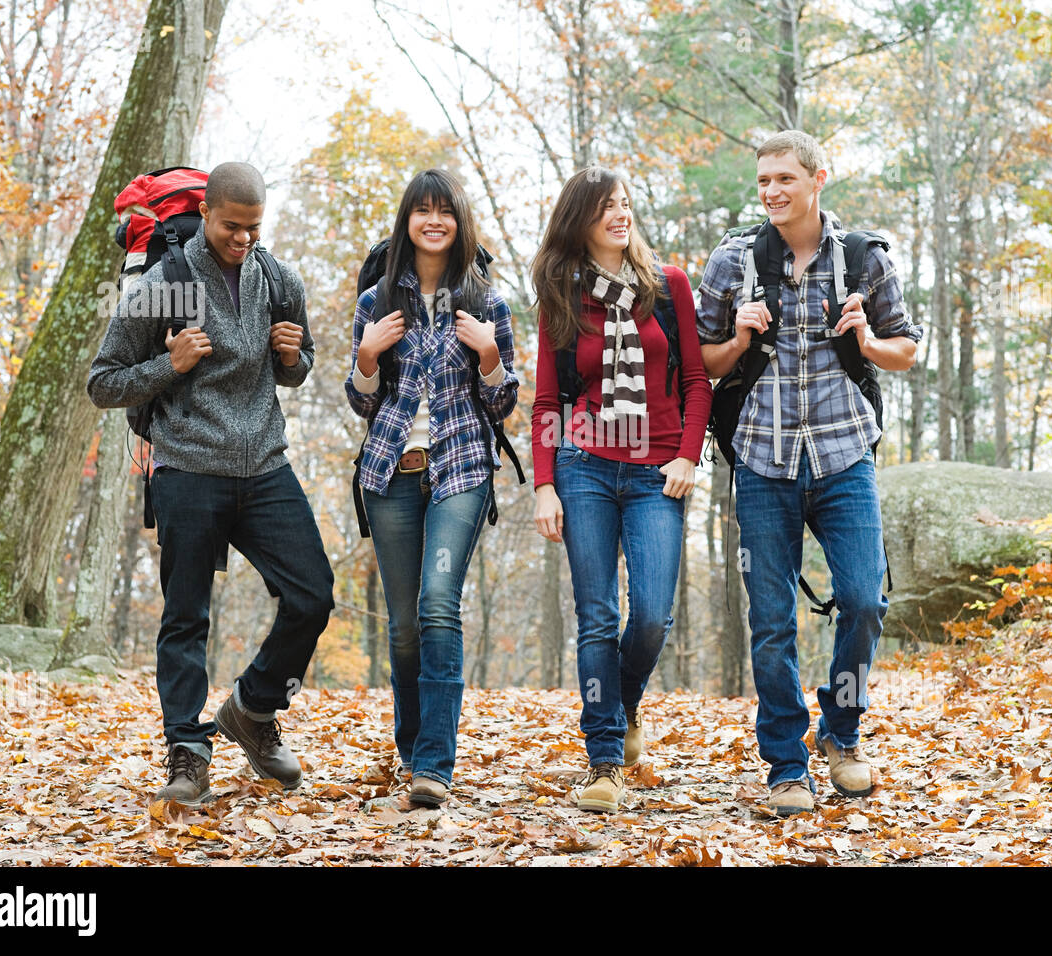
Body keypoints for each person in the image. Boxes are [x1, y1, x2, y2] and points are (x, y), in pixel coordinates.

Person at [88, 161, 334, 806]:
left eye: (254, 228)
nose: (244, 239)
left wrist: (291, 355)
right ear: (208, 212)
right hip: (188, 468)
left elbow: (298, 369)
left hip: (264, 468)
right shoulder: (166, 285)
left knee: (313, 597)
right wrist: (169, 364)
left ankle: (252, 709)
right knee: (185, 617)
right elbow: (103, 381)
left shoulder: (278, 279)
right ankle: (188, 753)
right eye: (232, 226)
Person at [696, 131, 922, 815]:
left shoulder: (863, 260)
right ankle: (787, 764)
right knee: (771, 622)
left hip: (843, 455)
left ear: (818, 179)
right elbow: (702, 364)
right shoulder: (731, 262)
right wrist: (738, 336)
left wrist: (865, 339)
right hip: (762, 463)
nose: (771, 192)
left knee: (862, 601)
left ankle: (843, 732)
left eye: (785, 180)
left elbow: (905, 350)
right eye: (763, 180)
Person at [531, 167, 711, 813]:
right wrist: (545, 484)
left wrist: (688, 456)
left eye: (626, 204)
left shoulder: (669, 287)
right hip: (583, 465)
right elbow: (548, 399)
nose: (620, 214)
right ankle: (603, 759)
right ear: (581, 219)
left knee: (653, 616)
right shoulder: (562, 295)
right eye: (606, 207)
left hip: (656, 470)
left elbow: (697, 381)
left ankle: (624, 700)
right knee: (597, 615)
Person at [345, 169, 519, 809]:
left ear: (459, 221)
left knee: (438, 603)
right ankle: (413, 749)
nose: (433, 221)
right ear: (407, 222)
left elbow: (502, 403)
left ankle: (436, 767)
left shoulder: (487, 302)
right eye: (421, 211)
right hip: (391, 471)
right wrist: (366, 360)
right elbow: (361, 403)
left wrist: (490, 356)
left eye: (444, 211)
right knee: (403, 626)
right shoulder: (376, 300)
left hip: (462, 470)